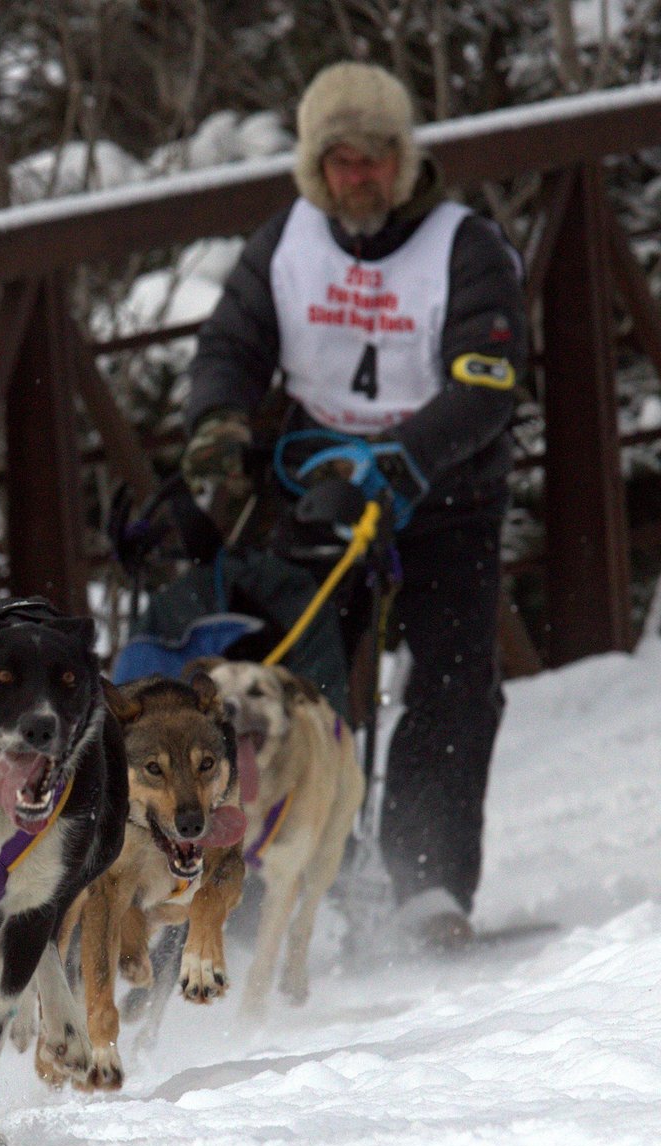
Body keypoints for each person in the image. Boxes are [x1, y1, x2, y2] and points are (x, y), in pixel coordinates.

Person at [179, 62, 527, 951]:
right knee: (282, 680)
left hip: (446, 492)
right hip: (318, 488)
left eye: (375, 157)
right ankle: (261, 873)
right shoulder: (286, 243)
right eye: (341, 160)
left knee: (453, 681)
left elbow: (487, 382)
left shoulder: (466, 247)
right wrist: (217, 419)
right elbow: (231, 341)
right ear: (315, 166)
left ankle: (427, 880)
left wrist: (406, 457)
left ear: (403, 160)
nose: (359, 176)